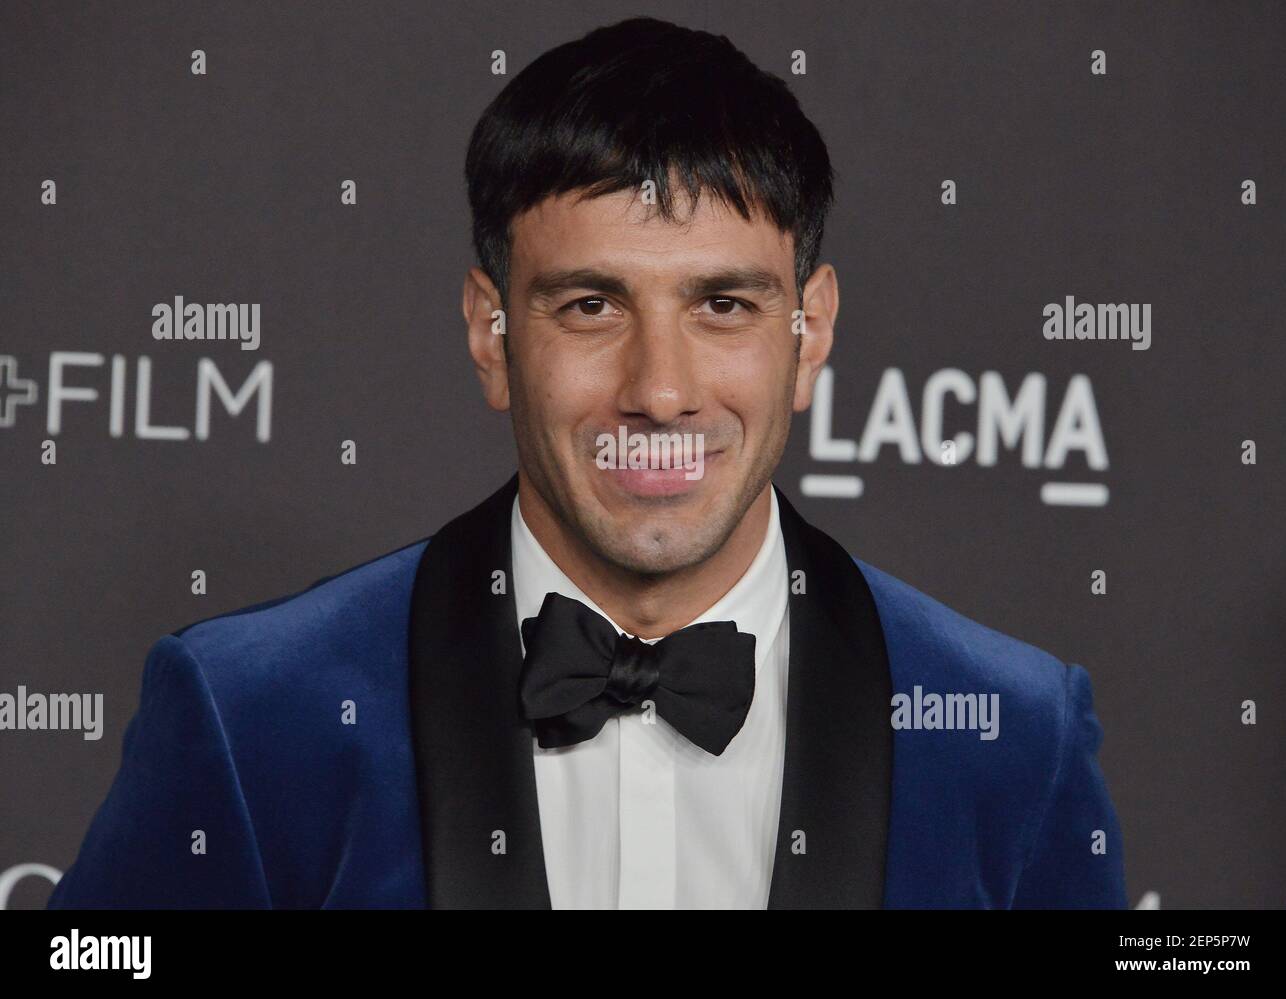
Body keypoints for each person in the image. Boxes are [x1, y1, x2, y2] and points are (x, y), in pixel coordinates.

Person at [48, 16, 1125, 909]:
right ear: (490, 333)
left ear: (812, 332)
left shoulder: (1012, 734)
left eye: (722, 305)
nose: (659, 388)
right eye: (590, 304)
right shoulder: (250, 714)